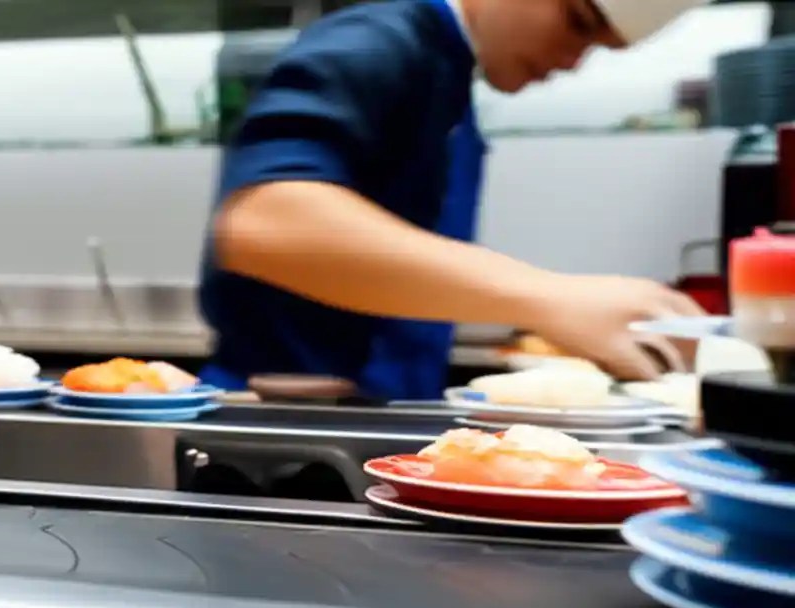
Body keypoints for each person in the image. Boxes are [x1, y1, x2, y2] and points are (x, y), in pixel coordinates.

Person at [198, 0, 707, 400]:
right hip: (285, 435)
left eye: (598, 46)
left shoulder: (445, 79)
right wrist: (550, 298)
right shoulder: (375, 44)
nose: (573, 61)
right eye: (577, 21)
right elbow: (263, 221)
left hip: (370, 419)